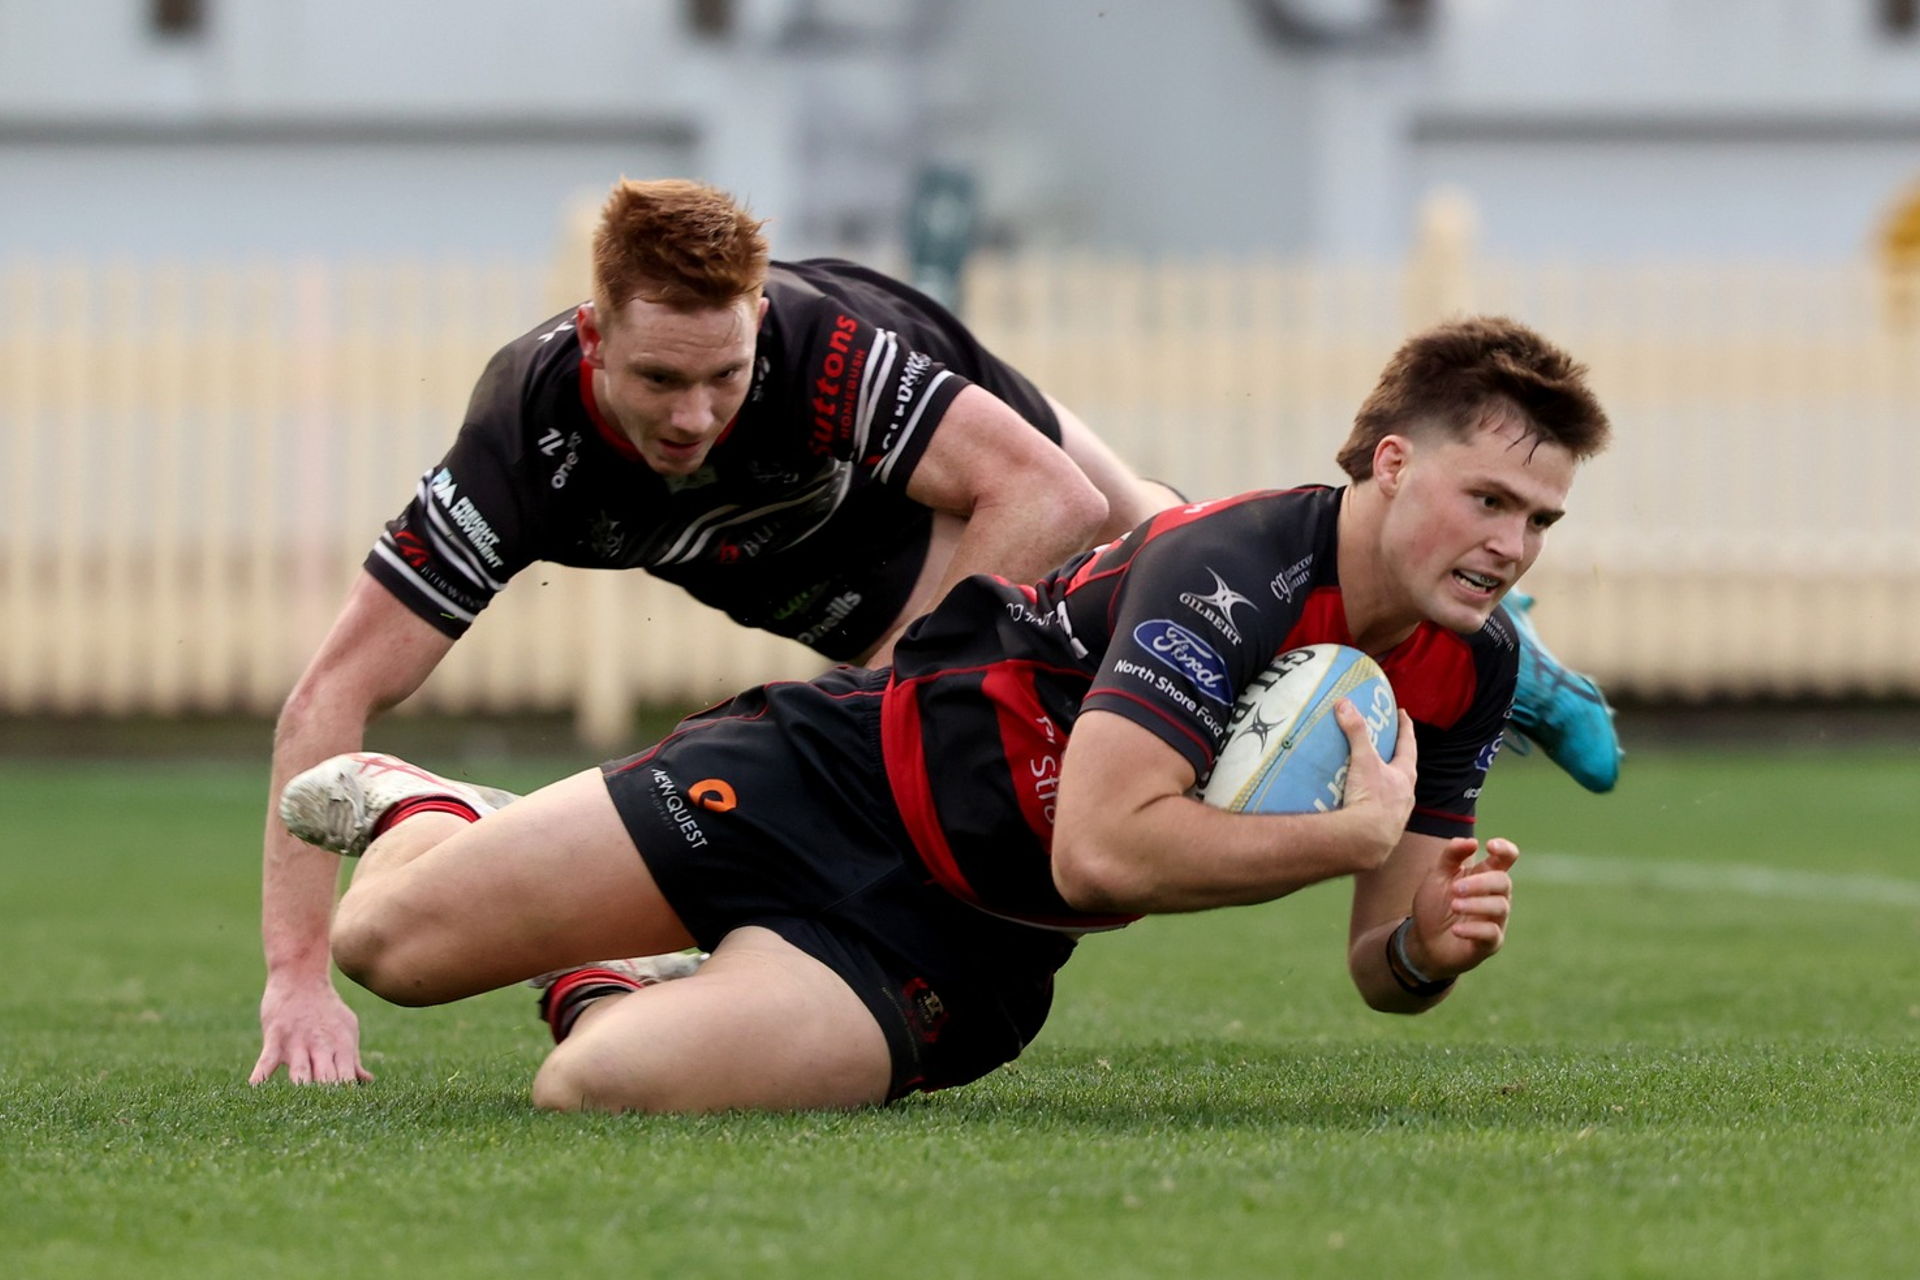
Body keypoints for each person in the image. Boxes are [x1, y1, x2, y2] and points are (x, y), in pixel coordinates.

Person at [277, 315, 1613, 1112]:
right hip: (838, 775)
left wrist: (1427, 952)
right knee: (389, 943)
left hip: (964, 947)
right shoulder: (1235, 568)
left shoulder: (1472, 668)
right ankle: (433, 804)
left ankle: (622, 974)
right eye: (1485, 500)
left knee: (593, 1087)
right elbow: (1105, 846)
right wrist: (1344, 840)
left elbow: (1378, 966)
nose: (1510, 545)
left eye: (1539, 519)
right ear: (1392, 464)